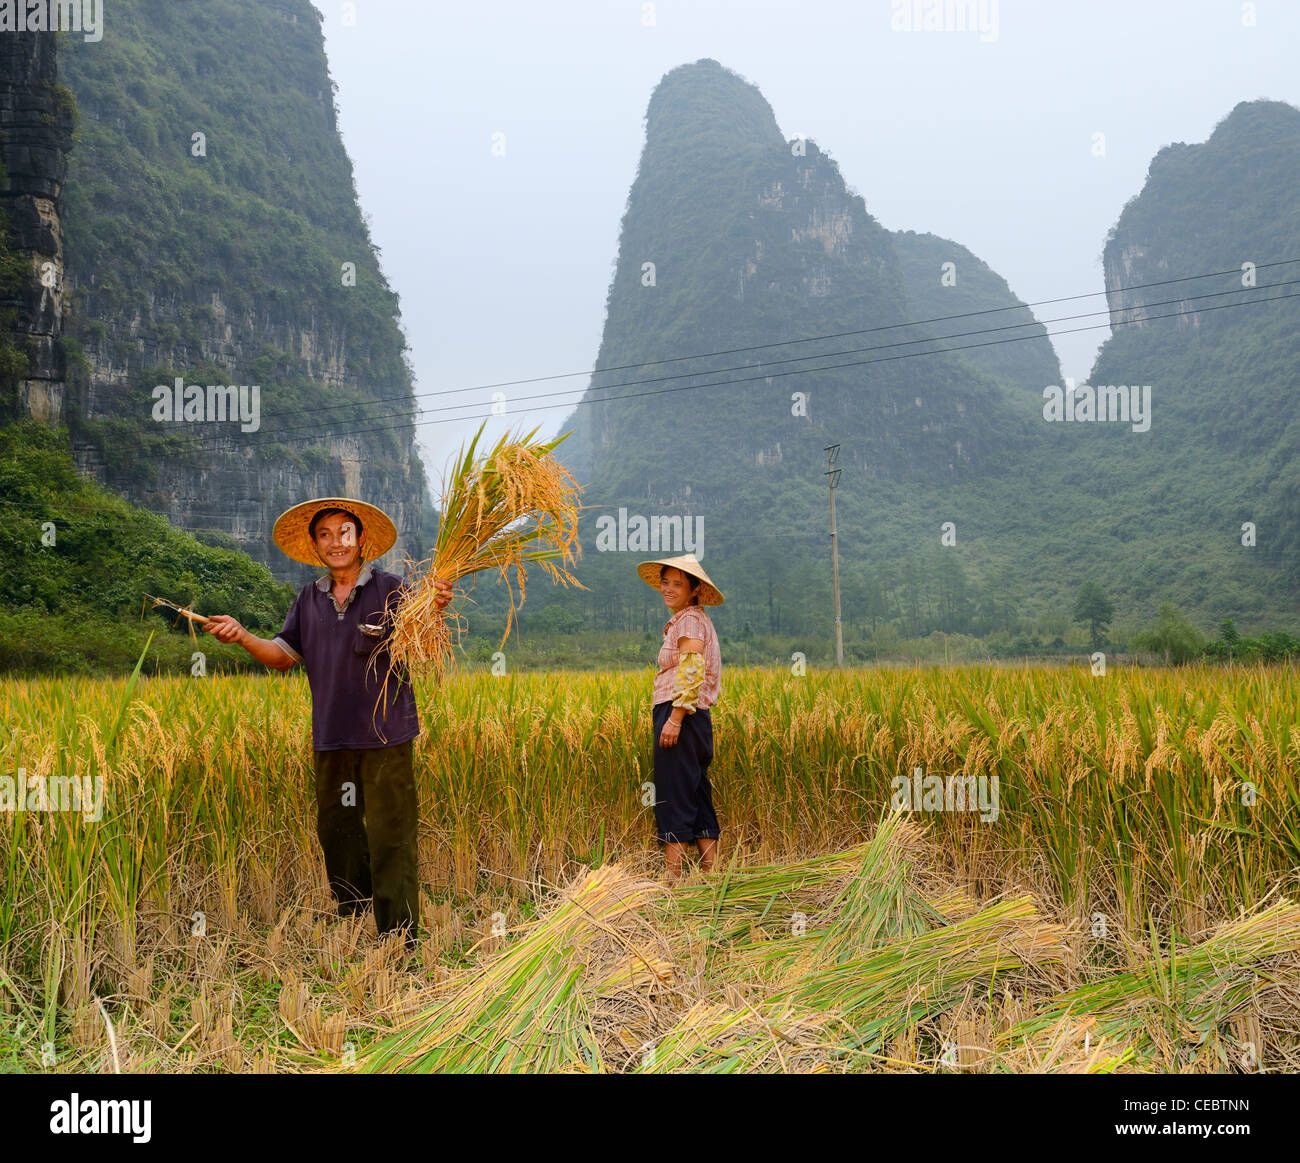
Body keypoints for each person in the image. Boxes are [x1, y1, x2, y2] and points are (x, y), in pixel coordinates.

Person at [205, 497, 451, 950]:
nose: (335, 541)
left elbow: (422, 646)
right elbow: (282, 656)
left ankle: (399, 939)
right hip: (332, 740)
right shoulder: (308, 598)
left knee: (389, 835)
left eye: (344, 532)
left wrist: (434, 609)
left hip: (385, 739)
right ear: (315, 545)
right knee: (338, 832)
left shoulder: (392, 590)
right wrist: (242, 635)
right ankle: (355, 924)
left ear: (361, 541)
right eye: (325, 534)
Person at [636, 552, 724, 882]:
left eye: (678, 583)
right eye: (665, 582)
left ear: (694, 589)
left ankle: (671, 881)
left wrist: (674, 719)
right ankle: (711, 874)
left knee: (673, 793)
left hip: (682, 714)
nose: (668, 589)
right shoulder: (693, 620)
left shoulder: (688, 621)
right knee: (697, 791)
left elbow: (691, 669)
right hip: (695, 718)